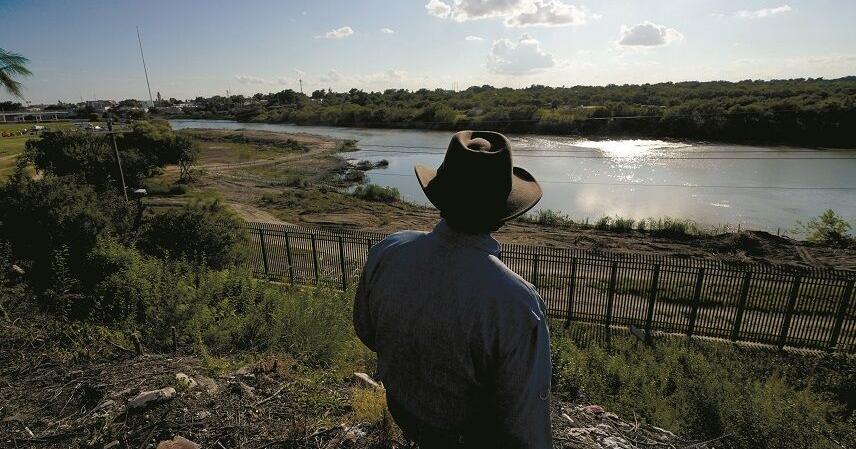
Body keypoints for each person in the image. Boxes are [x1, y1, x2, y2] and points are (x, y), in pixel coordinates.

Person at [353, 131, 552, 449]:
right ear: (502, 215)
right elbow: (526, 424)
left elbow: (366, 331)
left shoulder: (388, 250)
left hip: (403, 412)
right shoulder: (517, 304)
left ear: (440, 198)